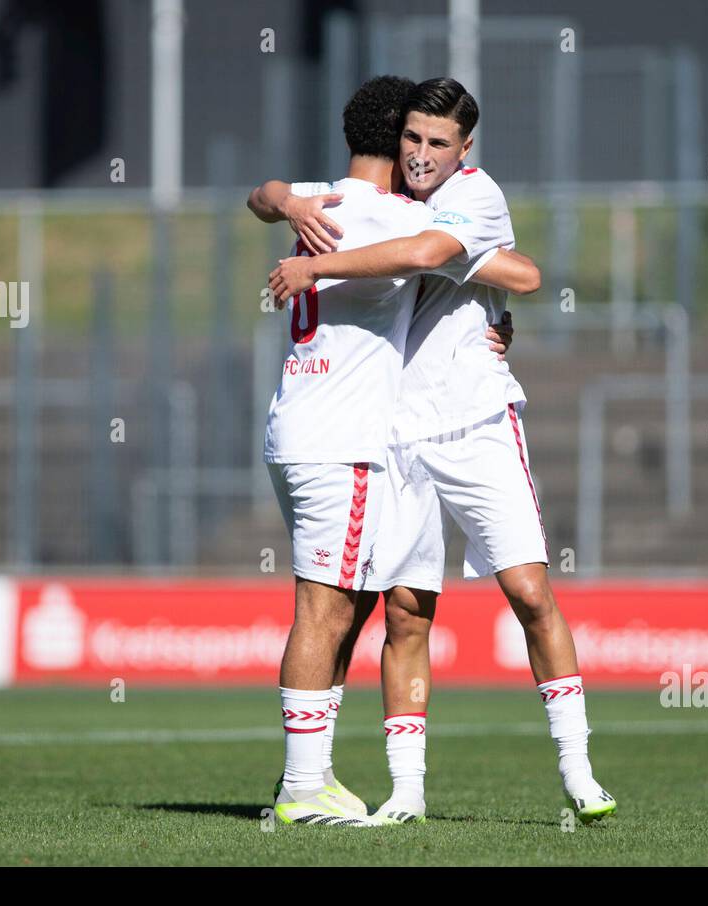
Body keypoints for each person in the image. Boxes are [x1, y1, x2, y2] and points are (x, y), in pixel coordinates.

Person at [262, 78, 615, 824]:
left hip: (473, 419)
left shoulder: (464, 197)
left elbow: (501, 267)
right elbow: (495, 267)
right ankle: (396, 791)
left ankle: (579, 773)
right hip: (391, 432)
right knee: (397, 616)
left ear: (465, 149)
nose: (422, 154)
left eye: (437, 142)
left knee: (524, 592)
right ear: (396, 143)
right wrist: (289, 203)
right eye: (413, 140)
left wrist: (309, 252)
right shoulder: (380, 206)